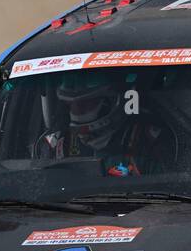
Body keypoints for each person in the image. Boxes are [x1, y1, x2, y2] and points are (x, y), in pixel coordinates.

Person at [34, 72, 175, 176]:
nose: (77, 111)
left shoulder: (148, 139)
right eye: (71, 105)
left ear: (110, 102)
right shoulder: (54, 144)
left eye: (86, 103)